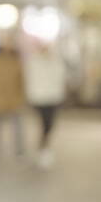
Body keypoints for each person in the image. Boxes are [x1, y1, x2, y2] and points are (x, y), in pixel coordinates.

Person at [22, 38, 66, 169]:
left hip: (53, 97)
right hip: (39, 98)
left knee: (50, 124)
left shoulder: (55, 61)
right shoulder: (34, 61)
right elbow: (30, 79)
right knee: (44, 123)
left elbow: (60, 77)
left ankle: (43, 147)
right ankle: (43, 148)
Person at [0, 35, 26, 160]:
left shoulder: (16, 62)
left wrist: (20, 96)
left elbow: (21, 80)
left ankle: (19, 150)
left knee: (17, 125)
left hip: (13, 98)